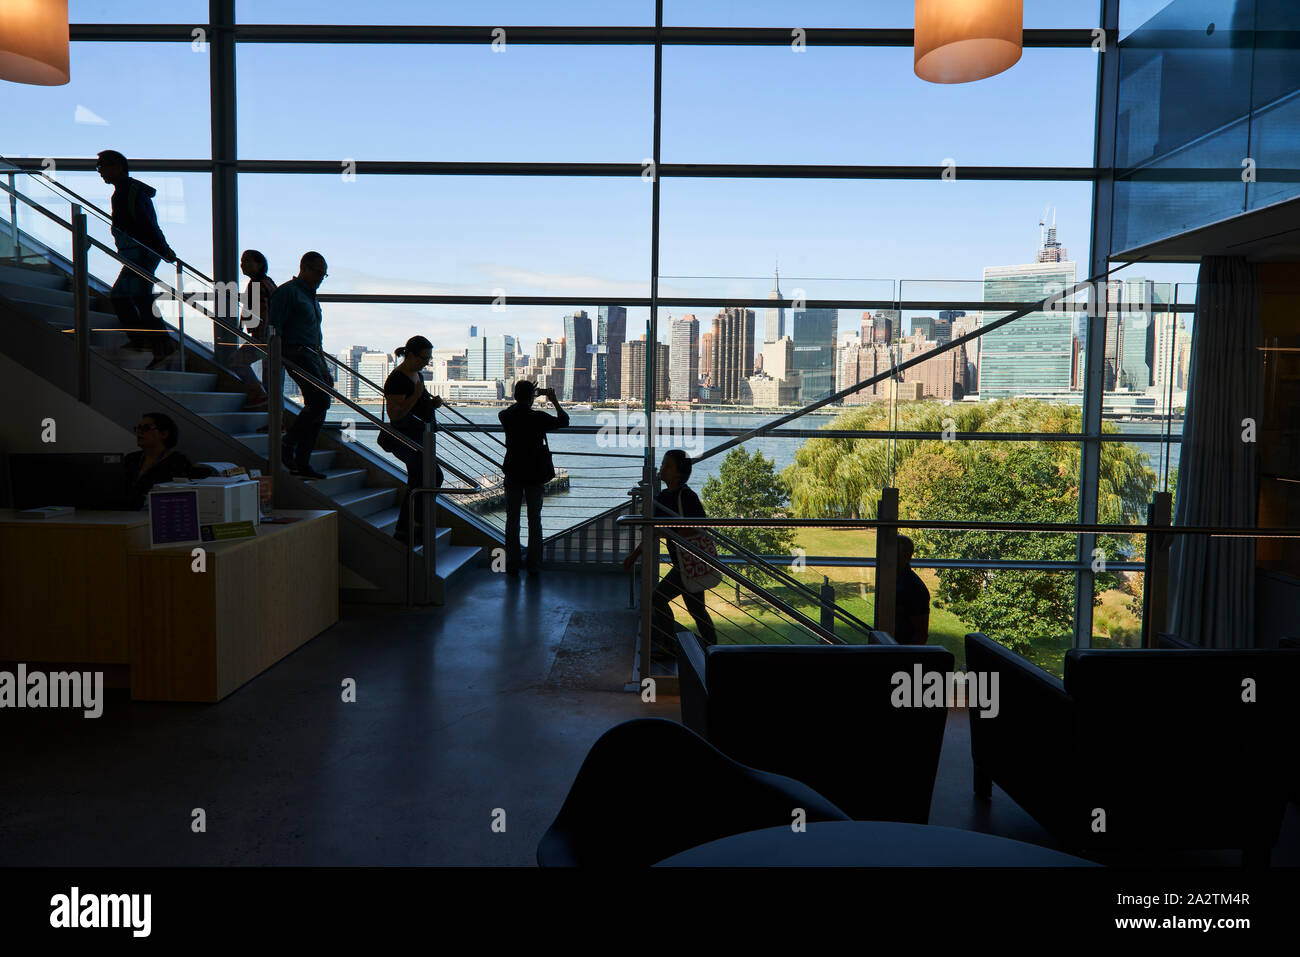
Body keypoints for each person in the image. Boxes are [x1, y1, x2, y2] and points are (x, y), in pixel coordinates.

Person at [622, 449, 718, 658]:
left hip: (688, 561)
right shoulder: (664, 497)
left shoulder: (687, 496)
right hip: (685, 563)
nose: (662, 468)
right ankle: (714, 651)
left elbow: (698, 527)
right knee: (697, 611)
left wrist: (670, 531)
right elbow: (653, 531)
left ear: (678, 474)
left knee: (658, 599)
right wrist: (634, 556)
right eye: (663, 464)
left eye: (667, 465)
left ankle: (671, 647)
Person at [97, 150, 177, 370]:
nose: (100, 171)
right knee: (138, 297)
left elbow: (147, 224)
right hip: (140, 251)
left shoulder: (128, 192)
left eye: (102, 166)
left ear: (118, 167)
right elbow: (147, 224)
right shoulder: (126, 191)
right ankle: (153, 343)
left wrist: (163, 247)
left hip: (141, 252)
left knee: (126, 296)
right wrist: (163, 248)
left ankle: (152, 342)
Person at [268, 251, 331, 479]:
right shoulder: (288, 293)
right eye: (317, 272)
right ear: (303, 268)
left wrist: (322, 359)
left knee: (320, 404)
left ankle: (302, 460)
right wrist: (278, 355)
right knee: (320, 400)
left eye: (324, 274)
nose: (320, 278)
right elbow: (275, 327)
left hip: (313, 354)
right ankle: (288, 444)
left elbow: (315, 333)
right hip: (296, 353)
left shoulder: (311, 296)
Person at [498, 380, 568, 575]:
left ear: (514, 396)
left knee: (512, 520)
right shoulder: (538, 417)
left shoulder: (505, 416)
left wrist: (527, 396)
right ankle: (534, 565)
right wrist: (554, 401)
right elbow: (564, 420)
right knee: (534, 520)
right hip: (535, 473)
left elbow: (512, 410)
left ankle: (512, 563)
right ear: (532, 397)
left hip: (513, 471)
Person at [382, 335, 444, 544]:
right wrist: (417, 396)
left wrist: (430, 403)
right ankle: (411, 525)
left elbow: (418, 404)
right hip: (406, 438)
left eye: (428, 359)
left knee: (423, 478)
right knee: (427, 477)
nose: (426, 363)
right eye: (424, 358)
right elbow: (396, 415)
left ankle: (411, 526)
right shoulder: (396, 379)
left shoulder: (417, 374)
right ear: (409, 355)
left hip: (421, 437)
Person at [232, 249, 277, 410]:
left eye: (247, 261)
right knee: (271, 380)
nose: (242, 264)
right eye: (242, 261)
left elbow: (264, 310)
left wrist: (261, 339)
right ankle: (275, 421)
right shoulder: (267, 282)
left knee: (237, 361)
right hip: (271, 338)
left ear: (259, 264)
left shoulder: (258, 284)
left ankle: (258, 394)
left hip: (264, 338)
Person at [122, 412, 193, 510]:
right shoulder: (131, 458)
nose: (139, 432)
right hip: (125, 513)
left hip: (157, 513)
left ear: (164, 434)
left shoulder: (178, 461)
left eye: (146, 428)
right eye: (138, 428)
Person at [894, 534, 931, 645]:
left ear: (906, 556)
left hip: (902, 654)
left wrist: (913, 661)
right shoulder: (896, 581)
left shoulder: (914, 588)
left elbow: (921, 634)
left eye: (894, 552)